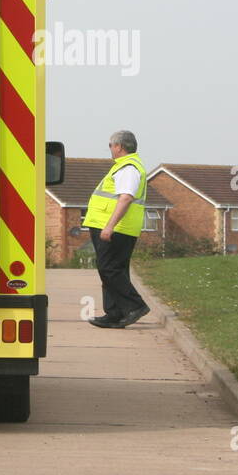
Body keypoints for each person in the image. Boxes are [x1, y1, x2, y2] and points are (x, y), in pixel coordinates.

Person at [82, 130, 150, 328]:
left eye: (111, 145)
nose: (110, 149)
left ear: (119, 146)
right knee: (114, 270)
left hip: (115, 227)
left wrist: (109, 226)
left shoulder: (128, 168)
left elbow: (126, 198)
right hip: (117, 227)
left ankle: (135, 306)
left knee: (108, 268)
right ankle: (115, 313)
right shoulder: (124, 166)